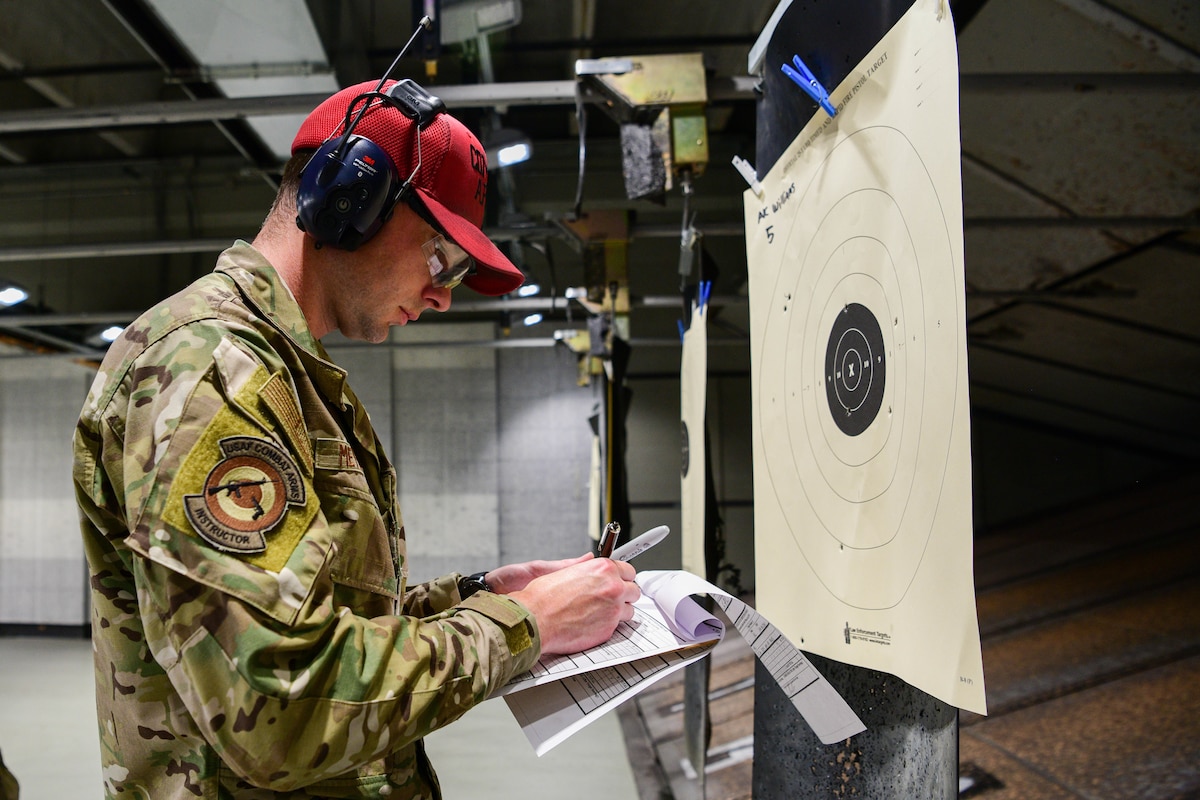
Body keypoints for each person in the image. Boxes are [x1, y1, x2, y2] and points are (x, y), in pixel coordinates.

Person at [73, 80, 640, 799]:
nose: (443, 294)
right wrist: (523, 625)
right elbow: (284, 707)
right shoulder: (211, 370)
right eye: (441, 258)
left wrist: (478, 594)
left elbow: (328, 619)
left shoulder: (284, 370)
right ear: (349, 199)